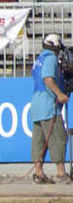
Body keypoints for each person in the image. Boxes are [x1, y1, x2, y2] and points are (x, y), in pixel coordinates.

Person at [30, 34, 71, 184]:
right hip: (48, 104)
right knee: (58, 137)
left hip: (36, 103)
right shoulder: (50, 59)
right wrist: (60, 94)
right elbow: (48, 79)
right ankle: (61, 173)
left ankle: (39, 173)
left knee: (39, 141)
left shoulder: (39, 59)